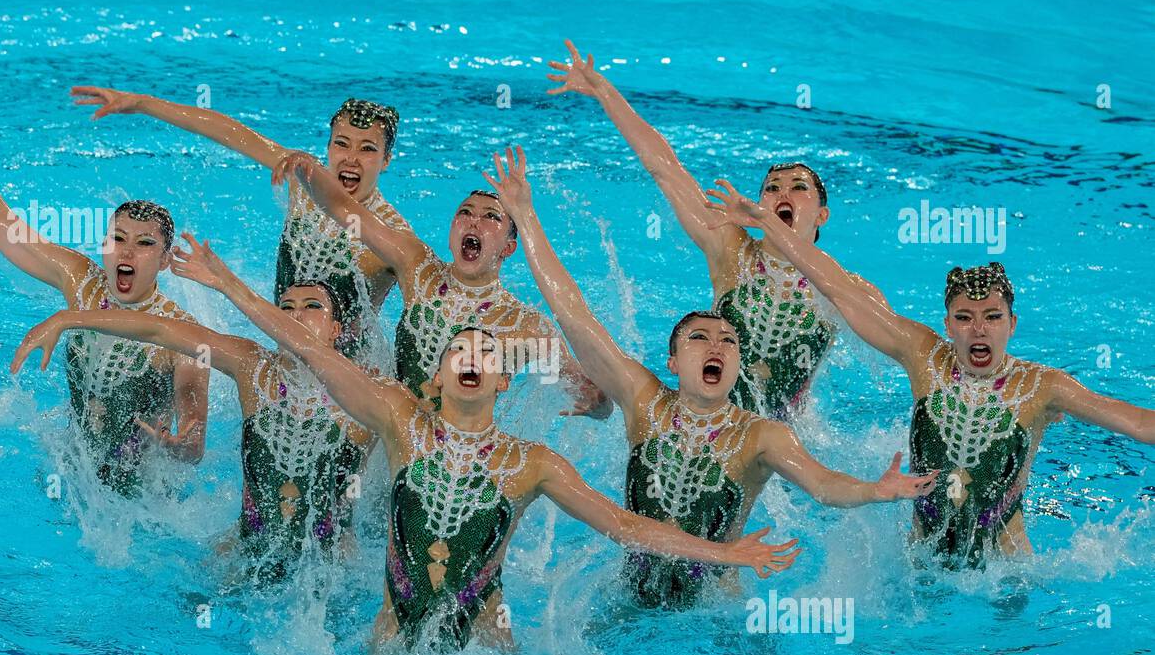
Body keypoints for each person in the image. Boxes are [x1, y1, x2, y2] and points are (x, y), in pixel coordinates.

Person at [153, 237, 801, 651]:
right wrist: (227, 286)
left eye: (483, 351)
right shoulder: (398, 418)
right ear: (437, 375)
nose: (471, 354)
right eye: (457, 348)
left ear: (501, 377)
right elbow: (304, 345)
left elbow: (625, 524)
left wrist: (726, 553)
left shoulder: (532, 464)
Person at [481, 147, 938, 607]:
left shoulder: (761, 437)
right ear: (674, 362)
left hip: (712, 617)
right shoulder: (644, 401)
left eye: (729, 342)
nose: (718, 346)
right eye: (701, 338)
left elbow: (822, 485)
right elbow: (571, 311)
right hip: (626, 604)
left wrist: (874, 490)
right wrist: (524, 212)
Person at [706, 179, 1155, 568]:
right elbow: (837, 287)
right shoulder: (924, 356)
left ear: (1011, 325)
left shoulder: (1042, 387)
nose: (978, 329)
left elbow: (1135, 422)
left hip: (1006, 575)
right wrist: (768, 224)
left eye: (992, 317)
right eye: (964, 318)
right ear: (947, 324)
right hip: (919, 568)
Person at [0, 98, 209, 495]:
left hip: (139, 498)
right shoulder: (81, 280)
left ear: (167, 260)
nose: (127, 252)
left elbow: (194, 432)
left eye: (145, 243)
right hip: (72, 467)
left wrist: (180, 446)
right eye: (117, 238)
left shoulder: (184, 337)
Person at [547, 39, 883, 419]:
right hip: (704, 419)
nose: (781, 193)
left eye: (798, 188)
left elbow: (905, 349)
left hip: (782, 440)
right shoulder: (730, 248)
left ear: (822, 216)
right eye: (771, 188)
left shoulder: (844, 288)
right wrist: (603, 91)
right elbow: (666, 169)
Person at [12, 269, 372, 583]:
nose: (296, 315)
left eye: (312, 307)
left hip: (330, 566)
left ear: (337, 329)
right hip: (246, 547)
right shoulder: (252, 368)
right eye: (287, 307)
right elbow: (159, 330)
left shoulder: (368, 394)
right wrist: (67, 319)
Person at [70, 87, 411, 360]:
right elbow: (227, 131)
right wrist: (142, 103)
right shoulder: (302, 181)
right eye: (341, 143)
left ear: (386, 160)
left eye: (367, 149)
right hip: (285, 361)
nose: (350, 157)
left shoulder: (393, 237)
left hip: (351, 376)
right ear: (328, 146)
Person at [271, 150, 610, 416]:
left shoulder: (525, 327)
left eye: (491, 217)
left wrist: (593, 404)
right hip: (391, 434)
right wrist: (308, 171)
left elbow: (595, 397)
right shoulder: (417, 266)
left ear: (508, 248)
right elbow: (347, 212)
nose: (474, 221)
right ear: (452, 234)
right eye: (465, 212)